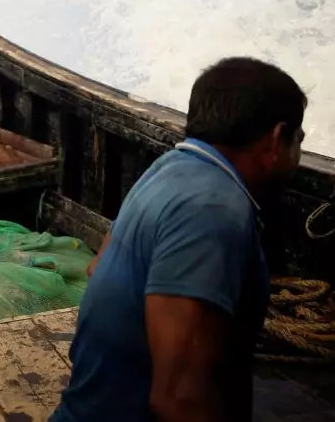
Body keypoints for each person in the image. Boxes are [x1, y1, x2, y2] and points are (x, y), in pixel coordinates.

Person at [51, 56, 308, 422]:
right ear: (276, 139)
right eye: (298, 140)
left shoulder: (168, 168)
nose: (297, 155)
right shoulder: (213, 211)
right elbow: (177, 400)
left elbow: (97, 267)